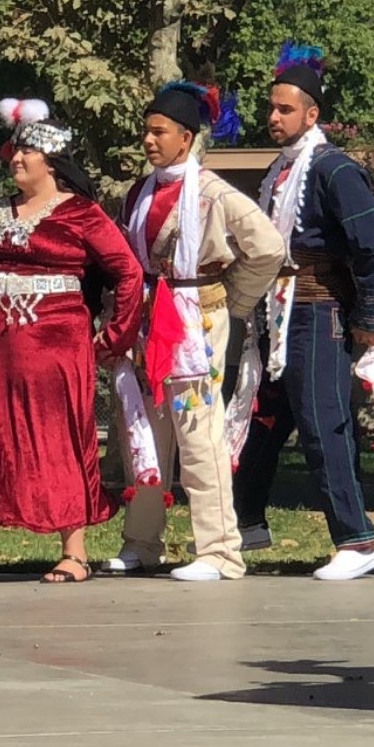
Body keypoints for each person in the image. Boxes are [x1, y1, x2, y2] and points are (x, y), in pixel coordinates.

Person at [0, 99, 143, 584]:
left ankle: (74, 551)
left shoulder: (82, 214)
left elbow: (128, 271)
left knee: (55, 439)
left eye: (26, 152)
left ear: (53, 161)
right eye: (13, 152)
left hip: (51, 345)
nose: (16, 160)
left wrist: (116, 334)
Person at [107, 82, 285, 581]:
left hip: (197, 320)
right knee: (145, 429)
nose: (148, 140)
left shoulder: (212, 192)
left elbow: (268, 247)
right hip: (150, 318)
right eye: (146, 131)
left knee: (197, 431)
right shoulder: (139, 193)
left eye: (159, 132)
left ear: (186, 138)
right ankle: (143, 542)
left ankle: (220, 550)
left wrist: (235, 298)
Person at [229, 43, 374, 581]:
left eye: (284, 110)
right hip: (277, 318)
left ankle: (357, 539)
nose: (272, 117)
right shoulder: (282, 170)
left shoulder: (333, 169)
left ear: (312, 114)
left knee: (324, 426)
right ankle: (245, 526)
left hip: (318, 317)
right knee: (260, 422)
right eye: (270, 108)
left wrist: (366, 318)